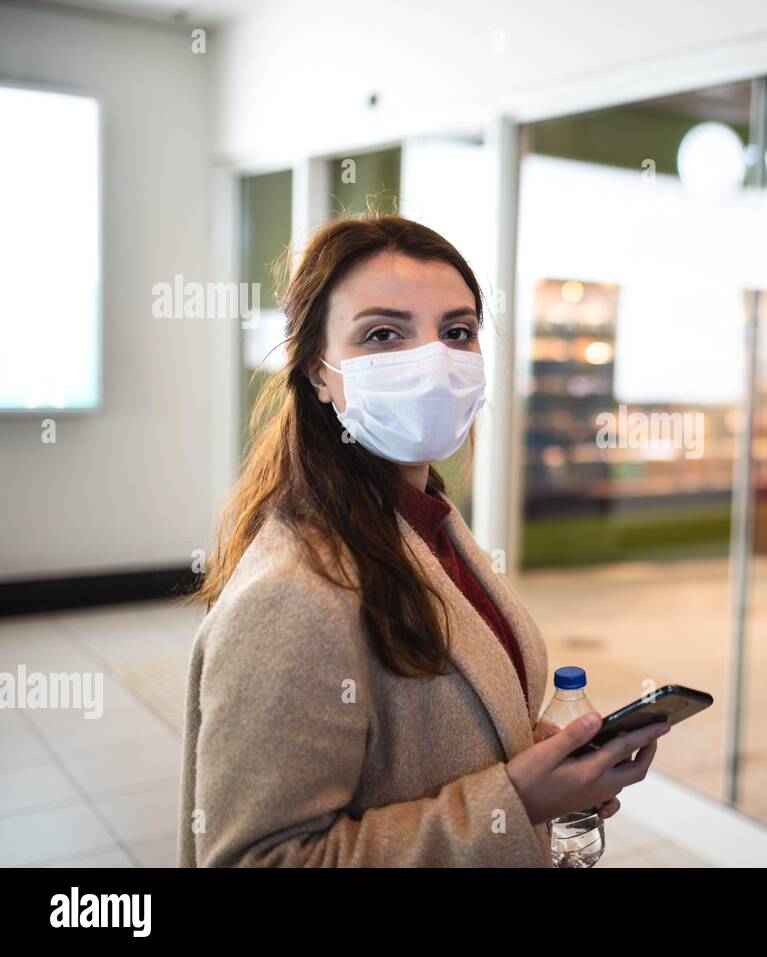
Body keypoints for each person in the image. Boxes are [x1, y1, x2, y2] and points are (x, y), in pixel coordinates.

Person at [179, 214, 668, 867]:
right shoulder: (292, 594)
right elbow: (258, 858)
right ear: (318, 373)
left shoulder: (427, 520)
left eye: (458, 332)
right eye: (384, 333)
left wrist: (530, 755)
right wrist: (512, 801)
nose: (434, 362)